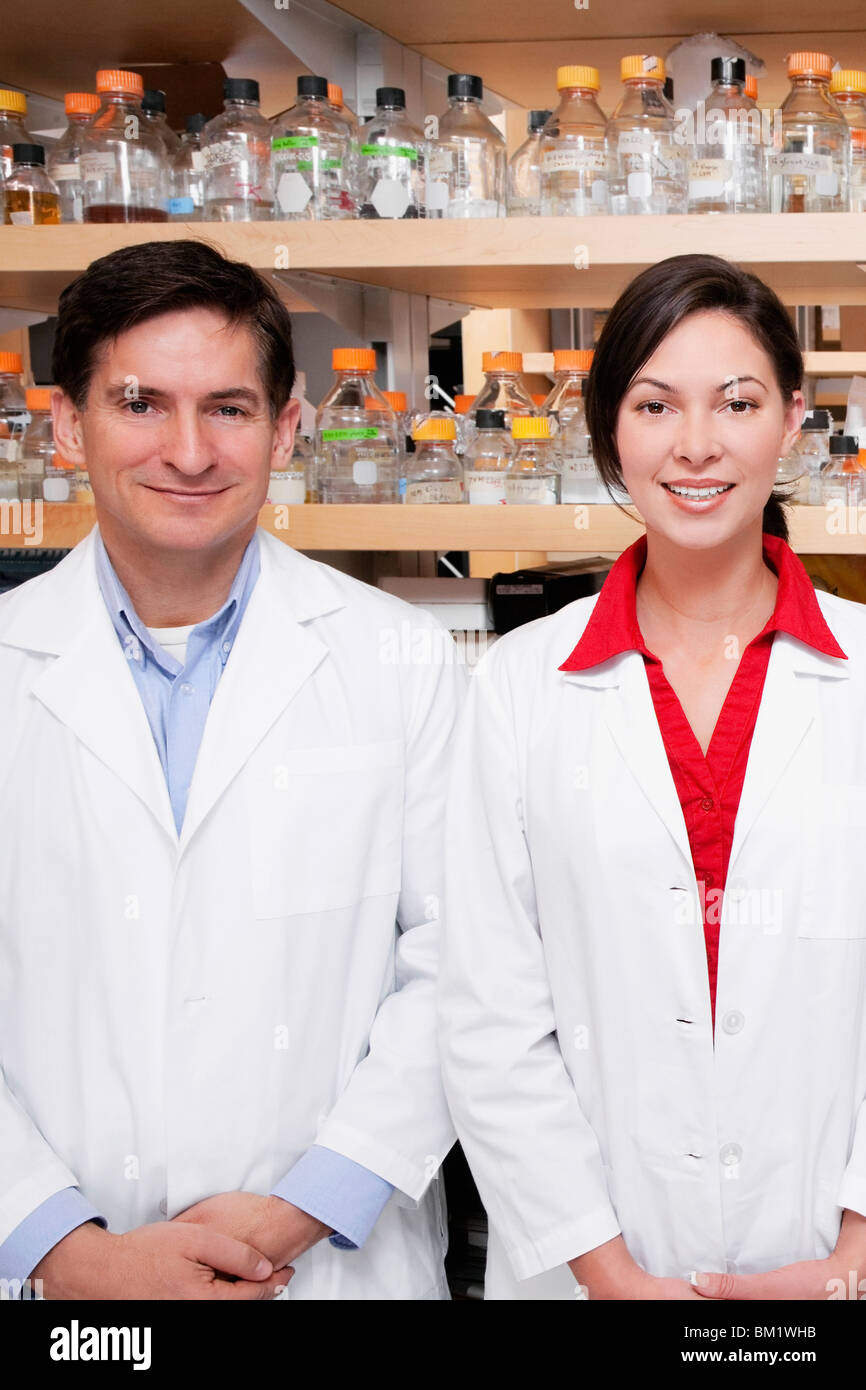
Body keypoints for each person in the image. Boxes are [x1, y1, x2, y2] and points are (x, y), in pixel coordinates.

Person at [0, 239, 466, 1300]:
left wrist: (300, 1210)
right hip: (58, 1277)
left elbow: (461, 966)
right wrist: (64, 1249)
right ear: (67, 425)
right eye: (140, 404)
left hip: (328, 1261)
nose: (189, 449)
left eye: (227, 408)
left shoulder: (400, 660)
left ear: (287, 427)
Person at [439, 253, 866, 1301]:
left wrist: (848, 1262)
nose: (694, 444)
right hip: (588, 1265)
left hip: (828, 1259)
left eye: (735, 400)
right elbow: (489, 1014)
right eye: (652, 403)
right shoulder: (519, 687)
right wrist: (604, 1268)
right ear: (606, 431)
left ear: (791, 419)